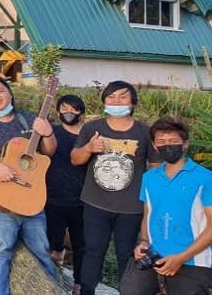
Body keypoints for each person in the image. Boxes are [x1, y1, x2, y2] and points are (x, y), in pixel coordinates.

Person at [0, 75, 57, 295]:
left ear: (10, 93)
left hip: (32, 197)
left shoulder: (27, 120)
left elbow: (49, 152)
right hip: (1, 200)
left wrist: (49, 132)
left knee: (42, 251)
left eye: (0, 90)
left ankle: (50, 290)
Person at [71, 81, 159, 295]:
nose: (116, 101)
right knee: (93, 250)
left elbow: (155, 169)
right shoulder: (93, 128)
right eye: (111, 97)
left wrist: (151, 202)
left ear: (133, 102)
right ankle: (87, 290)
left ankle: (126, 290)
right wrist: (89, 148)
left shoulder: (144, 133)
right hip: (95, 202)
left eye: (122, 97)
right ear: (104, 101)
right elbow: (75, 159)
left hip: (131, 207)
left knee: (126, 253)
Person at [121, 118, 212, 295]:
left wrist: (181, 258)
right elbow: (148, 215)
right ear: (154, 146)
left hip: (192, 260)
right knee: (130, 290)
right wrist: (144, 242)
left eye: (173, 141)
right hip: (154, 254)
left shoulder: (206, 179)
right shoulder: (150, 178)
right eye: (161, 142)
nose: (167, 146)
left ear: (185, 144)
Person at [44, 94, 86, 291]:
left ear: (81, 112)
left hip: (83, 200)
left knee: (82, 245)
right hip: (54, 197)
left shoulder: (88, 135)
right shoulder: (51, 132)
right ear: (58, 111)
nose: (69, 112)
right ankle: (54, 279)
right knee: (53, 241)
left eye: (73, 109)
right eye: (64, 108)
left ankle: (79, 284)